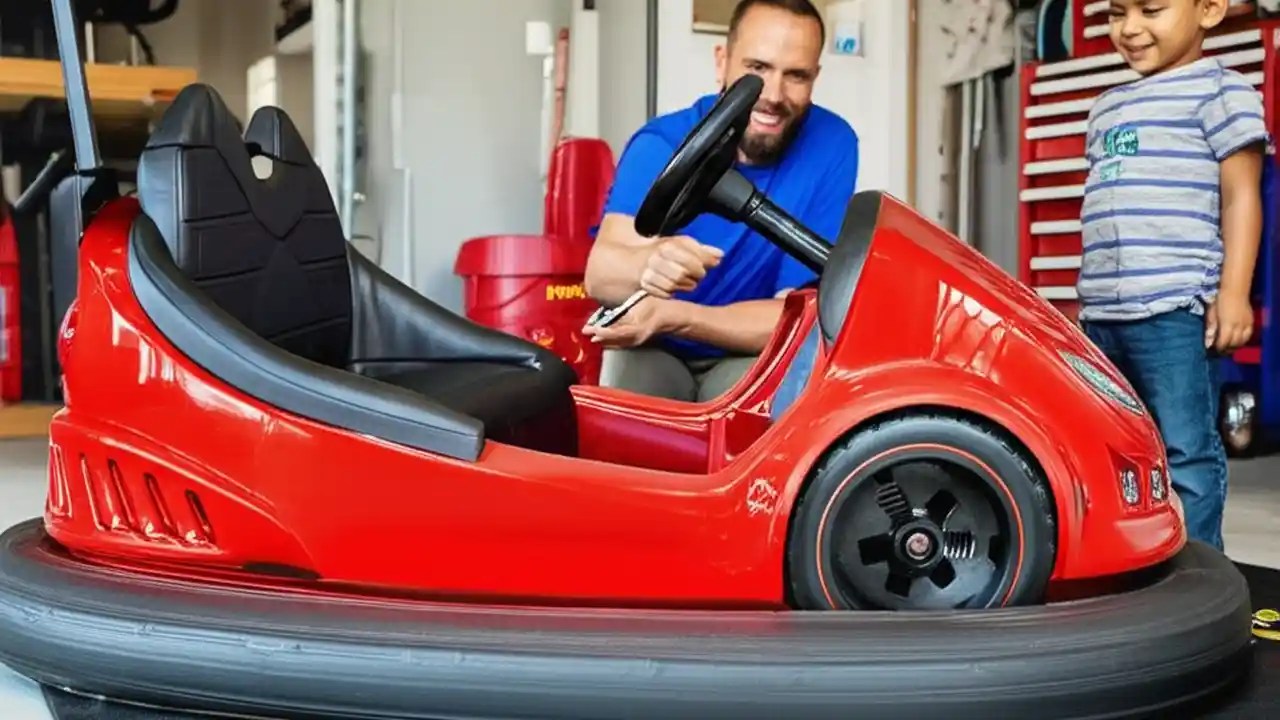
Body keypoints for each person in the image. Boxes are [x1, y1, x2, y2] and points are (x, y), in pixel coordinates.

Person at [581, 0, 858, 403]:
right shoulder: (659, 143)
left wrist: (679, 316)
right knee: (628, 389)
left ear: (816, 77)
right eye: (757, 69)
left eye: (796, 75)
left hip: (748, 349)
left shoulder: (833, 144)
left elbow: (796, 318)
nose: (774, 95)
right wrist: (648, 263)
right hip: (655, 346)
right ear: (722, 61)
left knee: (783, 399)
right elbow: (599, 275)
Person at [1078, 0, 1270, 550]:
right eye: (1117, 13)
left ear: (1208, 10)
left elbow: (1241, 198)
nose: (1130, 29)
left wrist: (1234, 294)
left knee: (1186, 449)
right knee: (1114, 448)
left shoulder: (1222, 92)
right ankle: (1132, 561)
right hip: (1104, 315)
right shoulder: (1107, 106)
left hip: (1175, 311)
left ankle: (1201, 574)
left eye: (1151, 10)